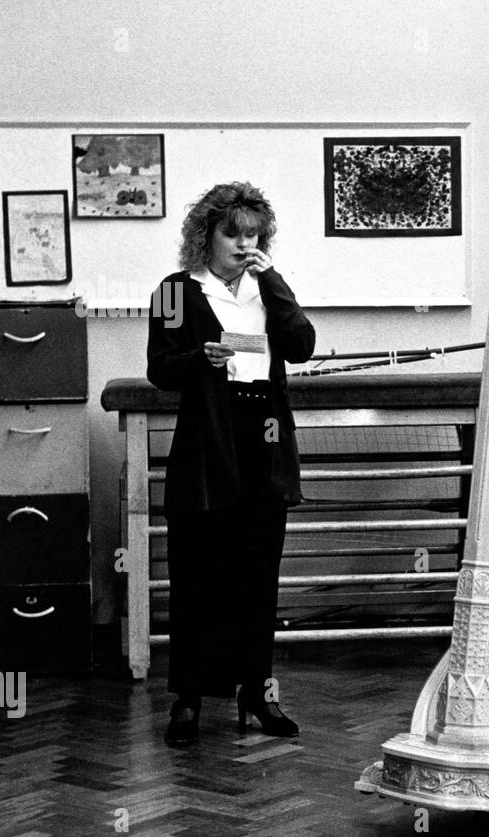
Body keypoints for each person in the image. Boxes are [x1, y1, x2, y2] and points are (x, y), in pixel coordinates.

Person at [146, 182, 316, 747]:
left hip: (263, 435)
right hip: (208, 438)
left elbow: (301, 345)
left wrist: (273, 281)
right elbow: (161, 369)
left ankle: (257, 695)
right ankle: (188, 701)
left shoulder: (268, 288)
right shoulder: (175, 291)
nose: (245, 244)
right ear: (206, 237)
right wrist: (202, 357)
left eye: (254, 234)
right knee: (197, 570)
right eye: (233, 234)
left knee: (258, 572)